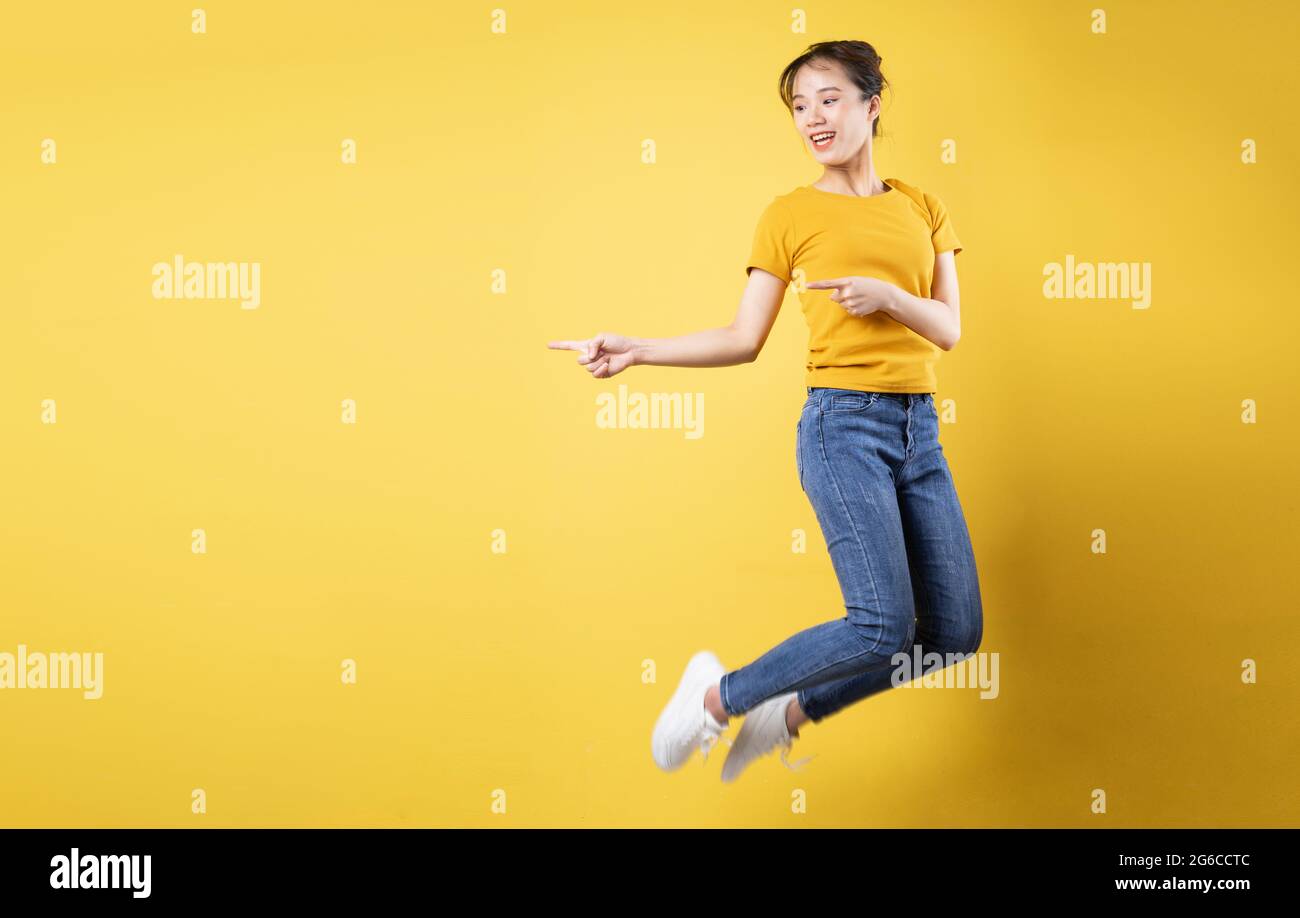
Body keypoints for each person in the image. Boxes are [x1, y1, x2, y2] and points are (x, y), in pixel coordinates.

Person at [548, 40, 983, 783]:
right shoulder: (788, 215)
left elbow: (948, 327)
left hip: (920, 433)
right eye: (799, 107)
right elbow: (742, 338)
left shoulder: (922, 207)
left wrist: (888, 299)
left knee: (953, 633)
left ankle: (784, 715)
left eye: (829, 99)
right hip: (843, 428)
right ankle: (719, 696)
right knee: (881, 626)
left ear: (872, 105)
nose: (812, 118)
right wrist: (639, 349)